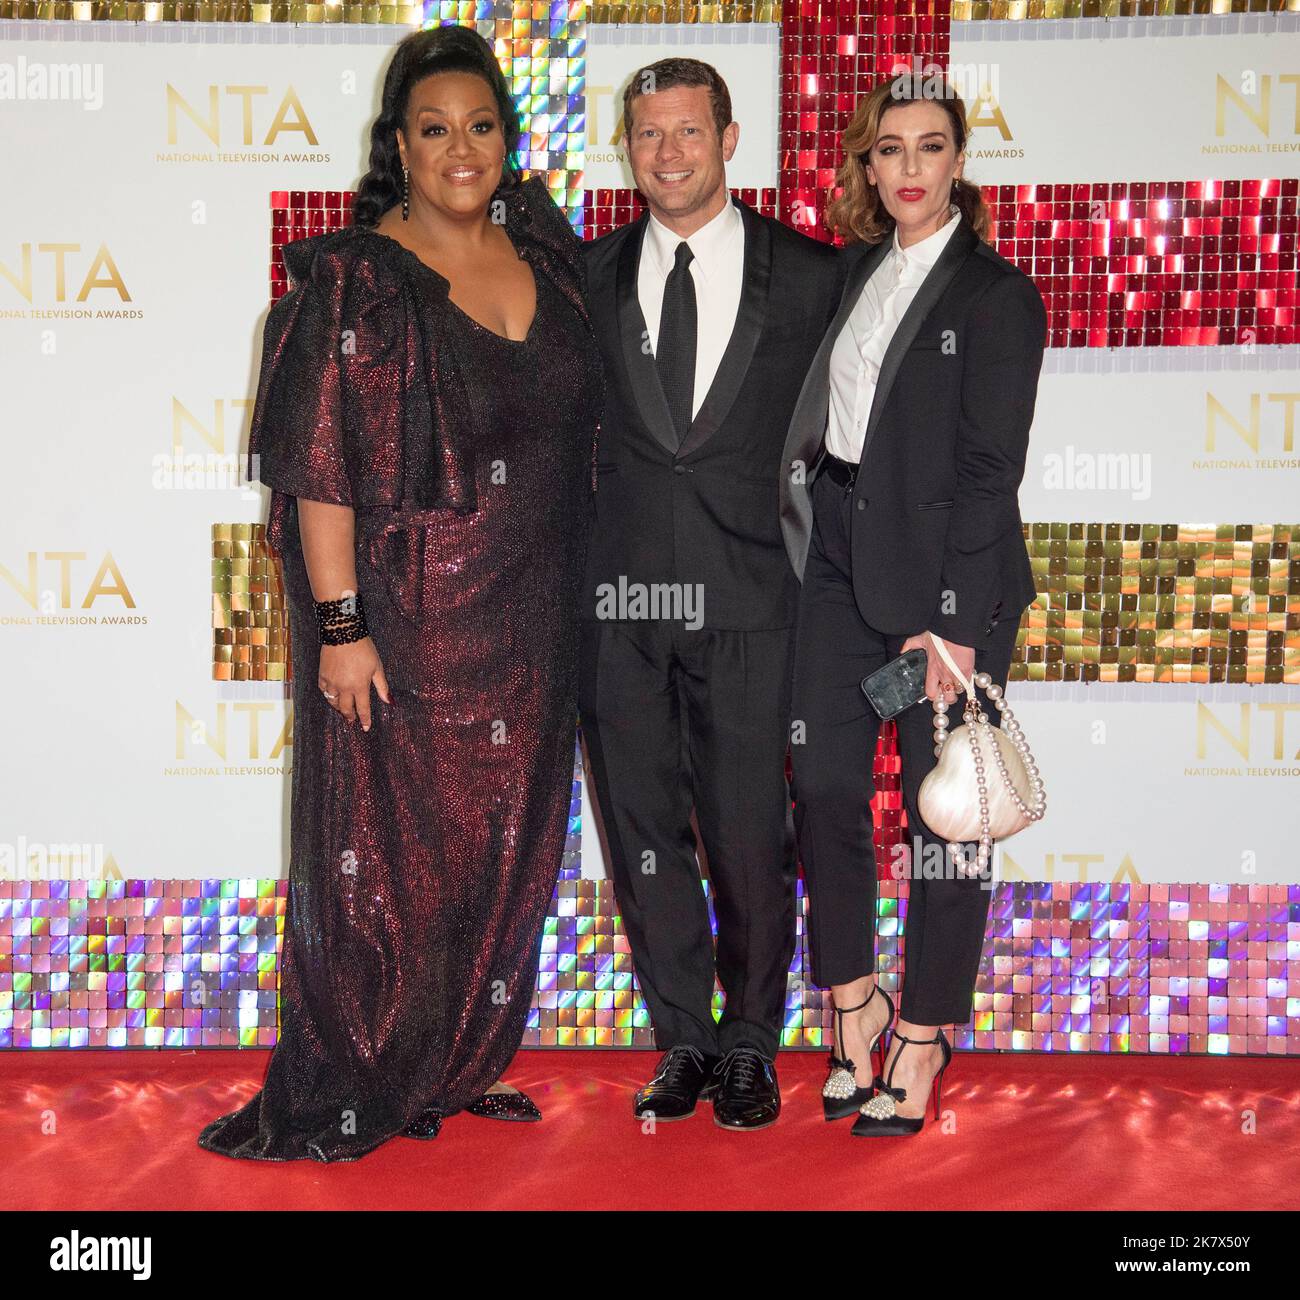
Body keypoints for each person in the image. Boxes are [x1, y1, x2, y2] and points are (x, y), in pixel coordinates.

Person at [197, 25, 603, 1162]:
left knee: (499, 848)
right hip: (408, 624)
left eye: (480, 125)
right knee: (384, 858)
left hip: (534, 620)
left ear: (507, 141)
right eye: (434, 129)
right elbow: (318, 471)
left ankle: (453, 1058)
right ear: (399, 146)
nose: (460, 149)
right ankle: (368, 1066)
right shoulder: (359, 279)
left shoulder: (549, 255)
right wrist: (341, 630)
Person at [580, 58, 846, 1130]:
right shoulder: (585, 277)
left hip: (752, 597)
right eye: (648, 135)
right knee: (642, 829)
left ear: (730, 139)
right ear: (626, 146)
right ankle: (681, 1039)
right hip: (621, 607)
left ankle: (750, 1041)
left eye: (688, 131)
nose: (668, 153)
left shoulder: (817, 274)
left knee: (746, 833)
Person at [780, 71, 1046, 1136]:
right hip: (837, 561)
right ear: (867, 162)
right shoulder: (852, 276)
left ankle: (926, 1034)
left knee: (949, 815)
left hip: (941, 578)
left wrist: (952, 625)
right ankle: (854, 1007)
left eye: (928, 147)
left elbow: (990, 470)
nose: (907, 170)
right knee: (826, 786)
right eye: (888, 150)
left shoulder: (995, 297)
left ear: (958, 160)